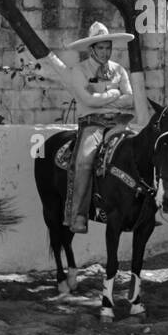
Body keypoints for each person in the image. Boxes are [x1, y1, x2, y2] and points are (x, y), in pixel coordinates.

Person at [34, 22, 135, 233]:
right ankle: (78, 214)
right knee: (84, 161)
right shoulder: (79, 70)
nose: (105, 52)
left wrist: (103, 98)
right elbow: (87, 100)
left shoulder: (119, 70)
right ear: (91, 49)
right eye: (101, 48)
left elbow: (130, 99)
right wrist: (114, 94)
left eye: (108, 47)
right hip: (93, 125)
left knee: (142, 152)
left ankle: (143, 209)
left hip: (119, 123)